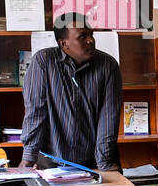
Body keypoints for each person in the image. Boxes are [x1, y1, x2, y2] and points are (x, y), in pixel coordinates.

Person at [20, 12, 122, 171]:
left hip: (96, 160)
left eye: (91, 34)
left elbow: (109, 117)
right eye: (83, 36)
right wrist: (28, 157)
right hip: (51, 161)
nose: (91, 40)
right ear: (63, 43)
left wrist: (104, 163)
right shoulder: (44, 62)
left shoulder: (108, 65)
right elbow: (35, 111)